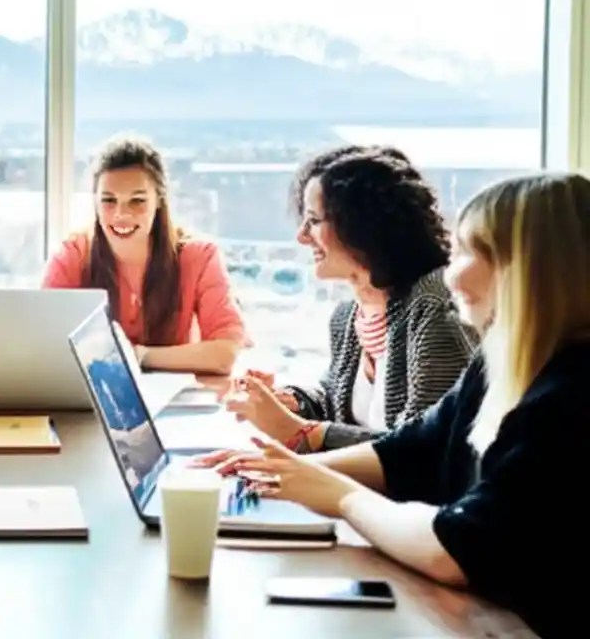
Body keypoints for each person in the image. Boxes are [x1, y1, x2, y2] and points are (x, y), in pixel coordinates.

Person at [197, 173, 590, 638]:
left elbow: (455, 551)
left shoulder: (571, 400)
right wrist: (280, 472)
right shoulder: (499, 363)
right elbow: (413, 449)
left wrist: (340, 495)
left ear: (527, 269)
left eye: (467, 252)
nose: (451, 272)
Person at [225, 146, 476, 450]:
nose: (302, 236)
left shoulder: (435, 308)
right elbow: (334, 399)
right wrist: (291, 402)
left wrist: (299, 432)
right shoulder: (350, 315)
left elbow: (427, 452)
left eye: (314, 221)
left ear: (362, 225)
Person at [43, 135, 247, 374]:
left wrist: (138, 355)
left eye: (137, 201)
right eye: (109, 200)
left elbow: (224, 353)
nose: (121, 214)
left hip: (172, 403)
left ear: (159, 200)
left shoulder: (199, 256)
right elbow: (45, 345)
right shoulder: (72, 255)